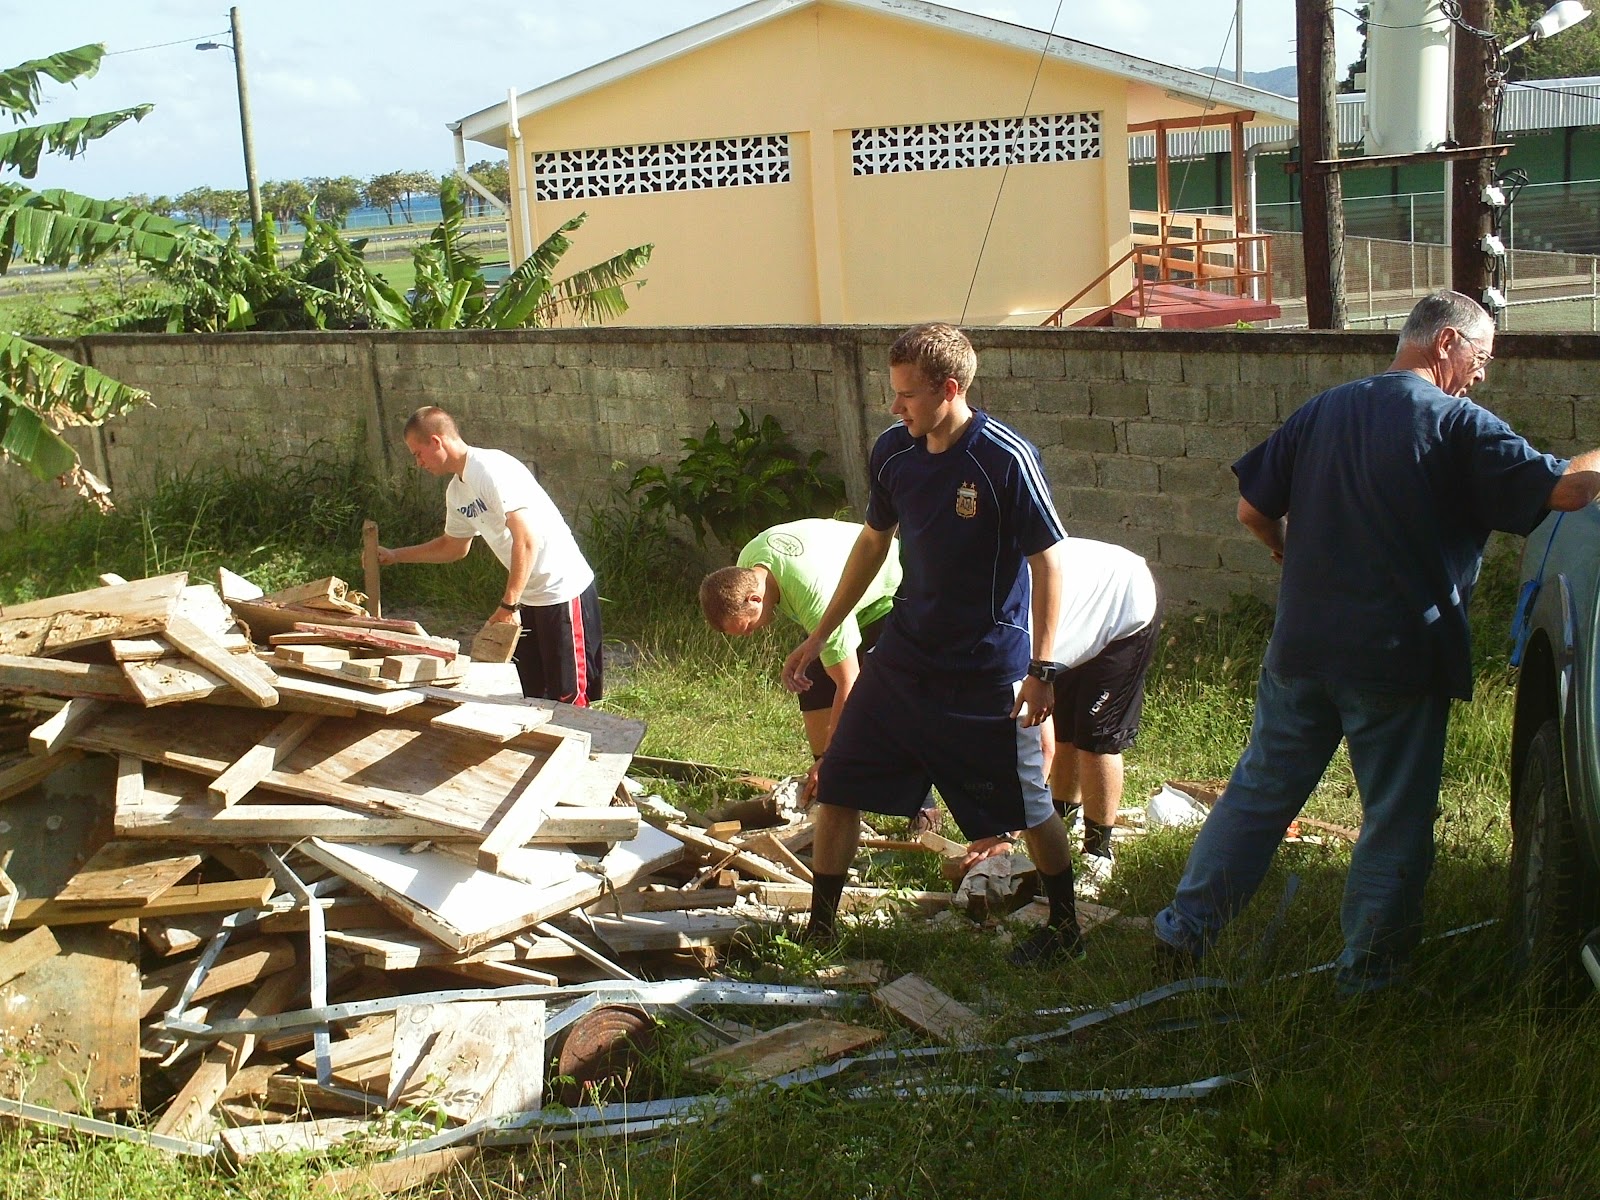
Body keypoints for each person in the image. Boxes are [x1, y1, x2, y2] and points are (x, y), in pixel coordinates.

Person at [1152, 290, 1600, 995]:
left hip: (1301, 649)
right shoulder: (1457, 424)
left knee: (1258, 795)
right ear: (1447, 343)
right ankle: (1370, 981)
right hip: (1396, 662)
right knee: (1393, 818)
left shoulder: (1325, 409)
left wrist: (1287, 553)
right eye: (1480, 358)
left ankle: (1183, 934)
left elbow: (1250, 509)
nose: (1481, 375)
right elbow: (1570, 493)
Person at [782, 322, 1084, 967]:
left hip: (984, 668)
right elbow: (872, 541)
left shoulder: (1004, 458)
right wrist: (820, 632)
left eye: (907, 396)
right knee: (837, 782)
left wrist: (1044, 668)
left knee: (1029, 806)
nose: (895, 408)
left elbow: (1049, 562)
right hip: (902, 659)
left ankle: (1065, 925)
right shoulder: (894, 451)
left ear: (949, 390)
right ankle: (821, 927)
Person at [699, 519, 941, 830]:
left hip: (893, 590)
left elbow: (848, 682)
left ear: (755, 599)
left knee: (890, 699)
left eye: (746, 627)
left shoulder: (813, 597)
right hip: (842, 595)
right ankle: (834, 792)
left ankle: (923, 807)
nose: (748, 636)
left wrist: (833, 755)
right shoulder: (749, 565)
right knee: (812, 682)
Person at [377, 406, 602, 705]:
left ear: (436, 441)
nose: (418, 463)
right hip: (528, 599)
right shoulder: (457, 492)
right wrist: (395, 555)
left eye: (418, 453)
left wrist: (509, 604)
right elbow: (453, 547)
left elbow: (526, 539)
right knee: (535, 696)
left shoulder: (492, 468)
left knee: (569, 698)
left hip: (560, 593)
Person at [1046, 538, 1161, 897]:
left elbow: (1036, 743)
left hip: (1123, 605)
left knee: (1096, 739)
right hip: (1072, 620)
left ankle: (1098, 852)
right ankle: (1056, 830)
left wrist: (1006, 827)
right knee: (1065, 730)